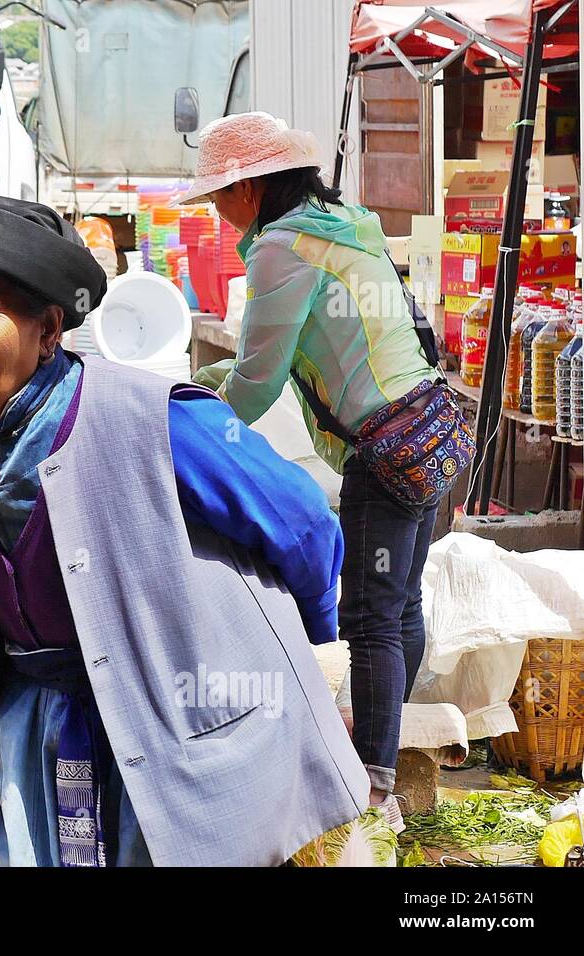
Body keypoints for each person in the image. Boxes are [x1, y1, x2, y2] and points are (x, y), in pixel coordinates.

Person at [0, 192, 369, 866]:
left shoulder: (157, 421)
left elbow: (302, 521)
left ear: (49, 329)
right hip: (39, 730)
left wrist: (310, 642)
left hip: (176, 722)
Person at [183, 112, 456, 830]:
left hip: (384, 449)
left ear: (248, 189)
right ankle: (383, 742)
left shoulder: (283, 246)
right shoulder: (344, 221)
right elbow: (269, 356)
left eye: (218, 197)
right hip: (429, 425)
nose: (216, 213)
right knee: (400, 606)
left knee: (369, 617)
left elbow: (259, 380)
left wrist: (198, 430)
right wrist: (209, 380)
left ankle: (369, 784)